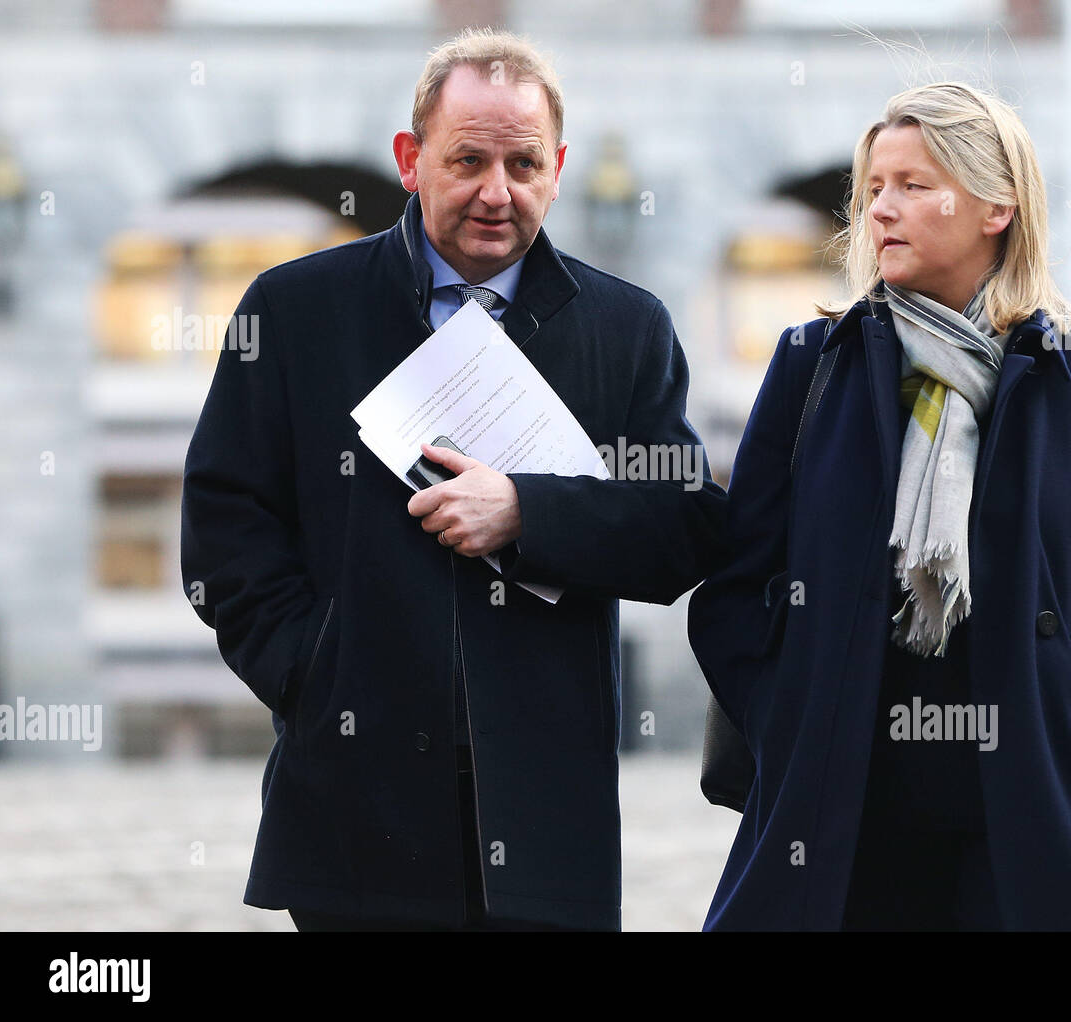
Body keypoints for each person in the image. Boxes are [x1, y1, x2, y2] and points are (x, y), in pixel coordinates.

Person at [180, 28, 725, 932]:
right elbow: (223, 526)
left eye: (521, 164)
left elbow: (682, 528)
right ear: (410, 159)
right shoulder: (293, 309)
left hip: (546, 803)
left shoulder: (627, 327)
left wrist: (528, 512)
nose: (495, 191)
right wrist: (316, 669)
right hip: (354, 792)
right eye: (467, 159)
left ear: (556, 167)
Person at [688, 81, 1071, 931]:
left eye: (913, 185)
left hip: (1045, 806)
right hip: (849, 820)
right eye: (874, 188)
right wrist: (787, 723)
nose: (881, 210)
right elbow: (735, 586)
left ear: (997, 205)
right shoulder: (813, 365)